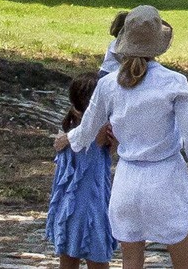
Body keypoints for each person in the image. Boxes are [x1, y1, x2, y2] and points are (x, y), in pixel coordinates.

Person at [57, 5, 188, 269]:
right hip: (165, 177)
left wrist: (67, 138)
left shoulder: (109, 84)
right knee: (184, 262)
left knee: (131, 260)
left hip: (127, 180)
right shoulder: (174, 82)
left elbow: (88, 129)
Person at [47, 73, 119, 268]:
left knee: (68, 260)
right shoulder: (100, 131)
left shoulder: (67, 131)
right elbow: (112, 150)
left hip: (68, 208)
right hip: (93, 207)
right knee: (97, 259)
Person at [99, 11, 128, 77]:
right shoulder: (116, 43)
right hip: (108, 72)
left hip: (116, 73)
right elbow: (121, 57)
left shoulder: (123, 43)